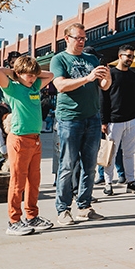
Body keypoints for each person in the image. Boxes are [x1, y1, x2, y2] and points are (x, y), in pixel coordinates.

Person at [50, 23, 111, 226]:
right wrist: (88, 77)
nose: (82, 41)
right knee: (67, 165)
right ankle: (63, 209)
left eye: (84, 38)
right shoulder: (59, 59)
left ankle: (84, 207)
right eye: (78, 38)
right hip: (69, 118)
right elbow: (60, 85)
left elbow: (102, 86)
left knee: (90, 166)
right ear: (67, 38)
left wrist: (107, 78)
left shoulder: (91, 59)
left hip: (92, 117)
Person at [0, 56, 55, 236]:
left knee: (34, 181)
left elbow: (50, 75)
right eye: (28, 75)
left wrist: (33, 71)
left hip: (35, 140)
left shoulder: (35, 86)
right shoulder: (13, 89)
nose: (32, 78)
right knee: (18, 182)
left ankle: (32, 216)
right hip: (20, 140)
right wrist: (15, 74)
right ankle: (13, 221)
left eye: (34, 75)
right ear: (19, 74)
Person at [100, 45, 135, 196]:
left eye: (132, 56)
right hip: (114, 121)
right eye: (128, 56)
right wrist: (104, 121)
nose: (131, 59)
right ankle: (108, 183)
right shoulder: (111, 74)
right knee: (110, 154)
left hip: (133, 120)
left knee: (129, 153)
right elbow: (104, 99)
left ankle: (131, 181)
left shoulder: (134, 76)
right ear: (120, 56)